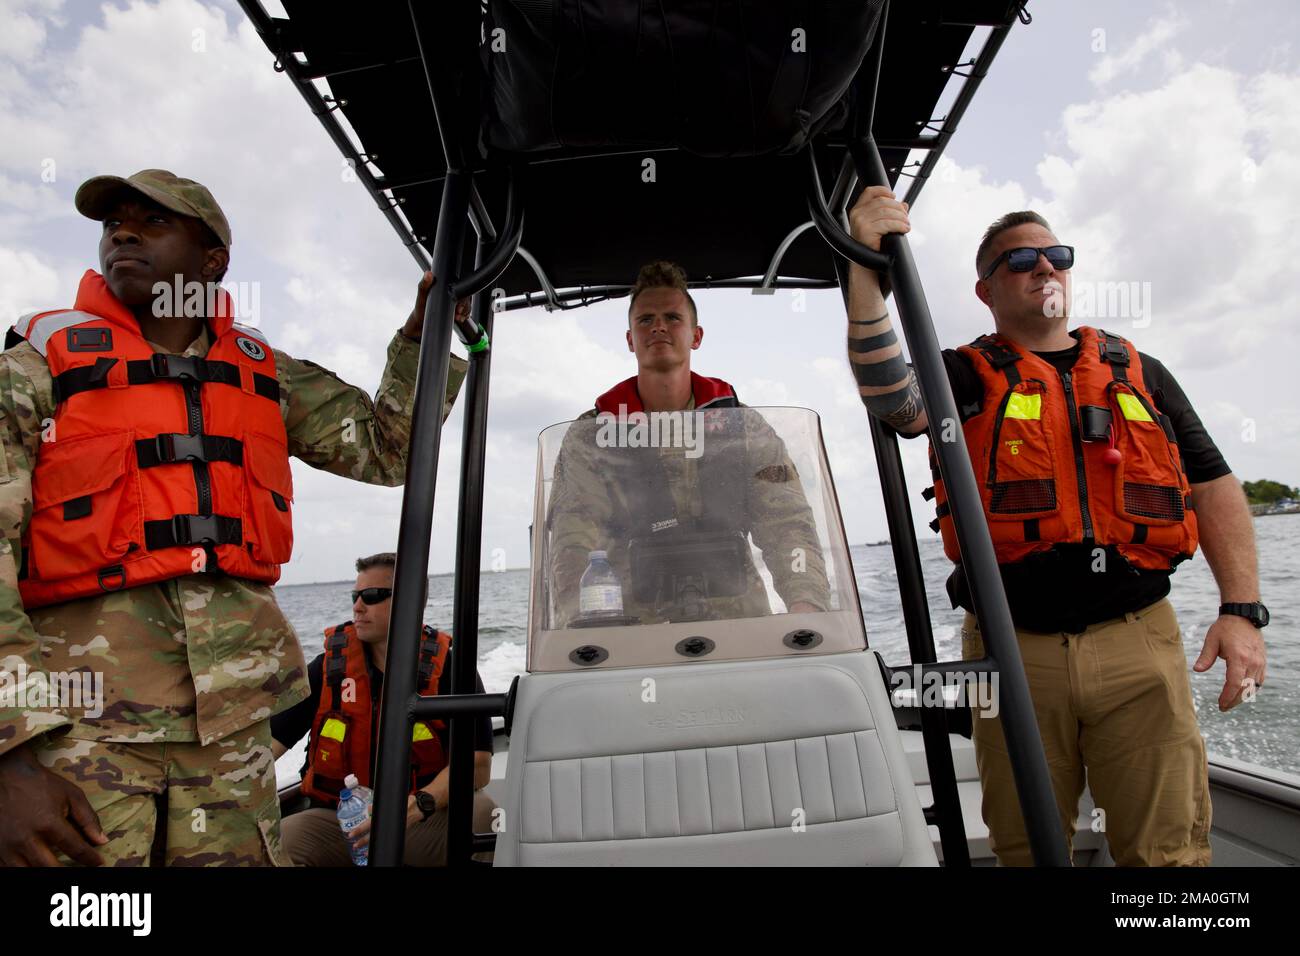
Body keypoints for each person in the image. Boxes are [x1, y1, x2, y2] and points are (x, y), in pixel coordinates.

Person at [0, 169, 471, 866]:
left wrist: (419, 335)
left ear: (212, 260)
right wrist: (12, 757)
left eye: (151, 222)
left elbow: (386, 451)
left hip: (231, 744)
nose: (122, 233)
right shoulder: (35, 369)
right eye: (113, 223)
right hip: (82, 742)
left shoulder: (264, 375)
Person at [843, 187, 1268, 866]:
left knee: (1168, 854)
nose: (1044, 268)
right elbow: (892, 396)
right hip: (1015, 653)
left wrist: (1241, 610)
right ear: (985, 291)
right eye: (1021, 261)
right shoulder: (961, 374)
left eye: (1056, 256)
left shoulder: (1141, 373)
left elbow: (1214, 486)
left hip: (1140, 645)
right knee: (1028, 850)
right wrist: (864, 265)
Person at [546, 260, 830, 626]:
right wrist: (576, 625)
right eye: (645, 320)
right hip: (630, 627)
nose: (658, 326)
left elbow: (786, 522)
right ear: (630, 340)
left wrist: (806, 607)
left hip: (738, 620)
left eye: (672, 317)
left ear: (696, 336)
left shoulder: (744, 426)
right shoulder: (594, 433)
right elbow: (573, 536)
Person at [270, 552, 495, 866]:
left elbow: (479, 764)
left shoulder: (452, 670)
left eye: (372, 596)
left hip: (420, 817)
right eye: (355, 596)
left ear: (411, 602)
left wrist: (421, 803)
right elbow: (267, 748)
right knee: (278, 841)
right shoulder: (328, 670)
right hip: (340, 820)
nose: (358, 606)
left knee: (485, 816)